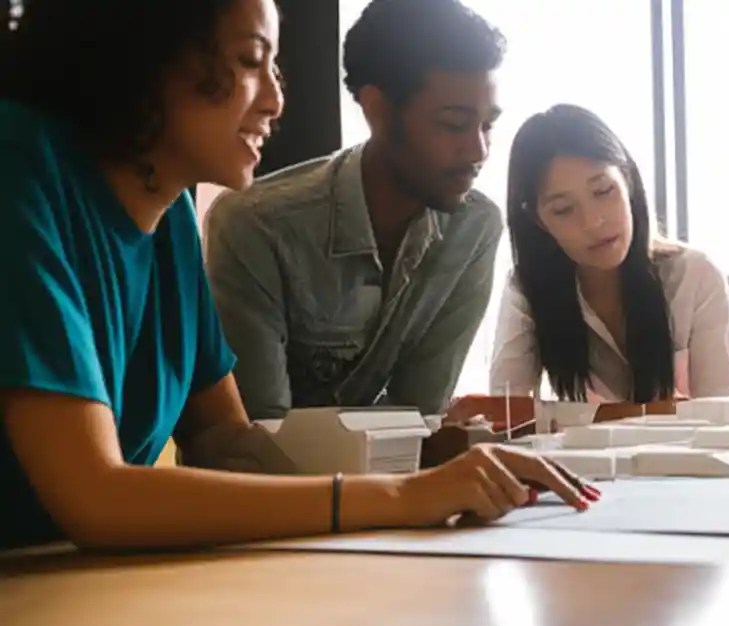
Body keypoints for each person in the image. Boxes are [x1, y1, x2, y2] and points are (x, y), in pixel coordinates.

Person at [0, 0, 593, 552]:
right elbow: (96, 497)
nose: (275, 102)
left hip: (69, 581)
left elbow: (226, 441)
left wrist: (424, 490)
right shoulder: (19, 165)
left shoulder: (169, 211)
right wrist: (399, 497)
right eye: (249, 61)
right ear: (143, 45)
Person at [205, 0, 505, 420]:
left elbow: (416, 420)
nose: (478, 150)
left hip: (381, 479)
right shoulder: (257, 225)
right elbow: (260, 438)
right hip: (266, 481)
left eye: (487, 124)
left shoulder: (474, 227)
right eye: (453, 124)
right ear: (377, 109)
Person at [489, 104, 729, 403]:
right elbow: (508, 409)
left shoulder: (695, 276)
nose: (593, 222)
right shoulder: (527, 287)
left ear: (627, 181)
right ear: (540, 221)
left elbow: (720, 414)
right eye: (564, 210)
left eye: (603, 191)